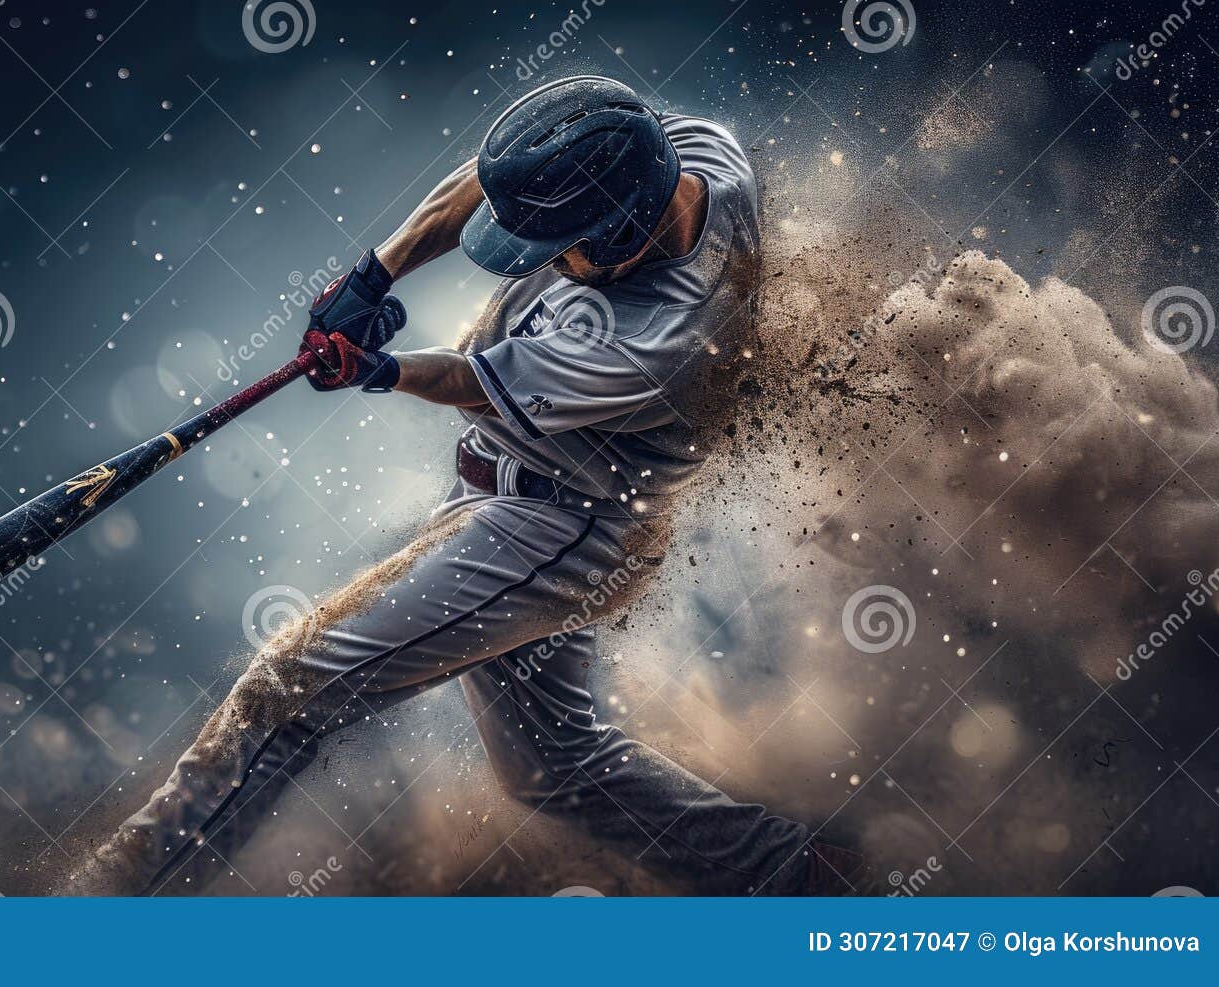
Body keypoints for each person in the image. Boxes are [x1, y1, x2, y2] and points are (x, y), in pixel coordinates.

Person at [66, 75, 860, 896]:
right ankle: (795, 876)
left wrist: (373, 369)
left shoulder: (662, 340)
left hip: (559, 530)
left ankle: (104, 906)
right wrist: (373, 274)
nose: (543, 263)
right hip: (535, 492)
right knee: (551, 765)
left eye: (561, 249)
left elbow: (472, 381)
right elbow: (508, 177)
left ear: (621, 235)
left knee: (290, 687)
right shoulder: (690, 156)